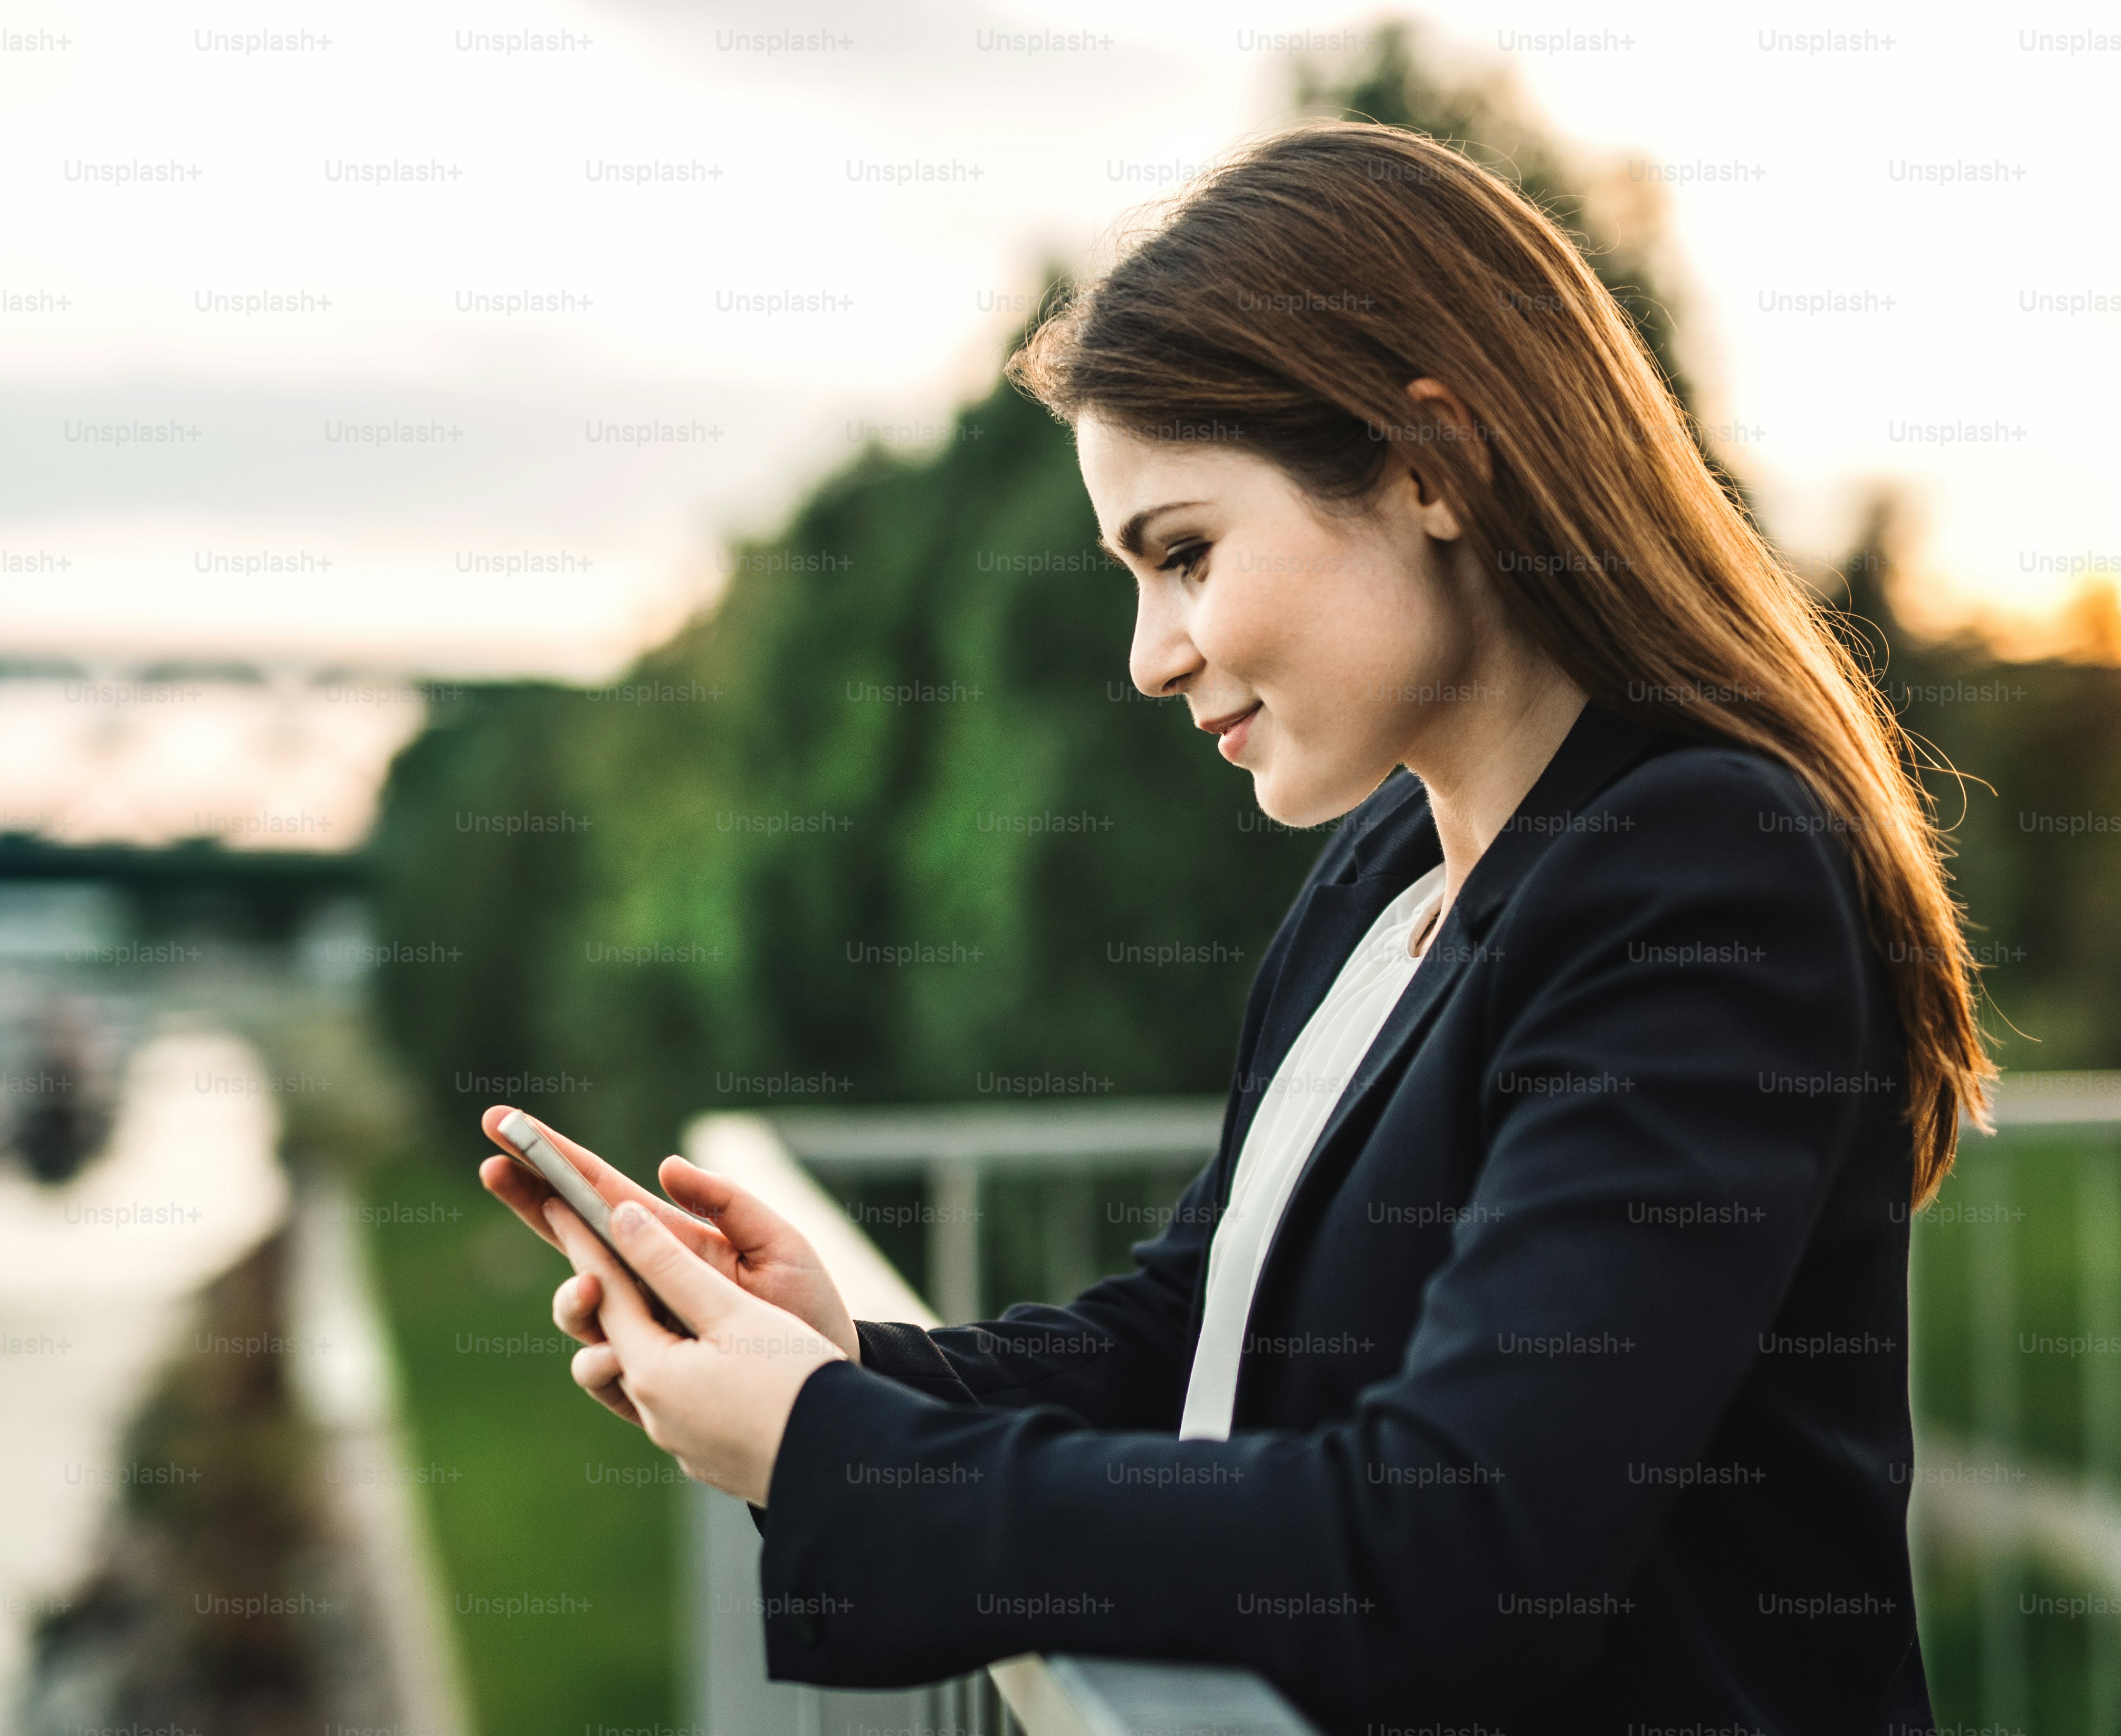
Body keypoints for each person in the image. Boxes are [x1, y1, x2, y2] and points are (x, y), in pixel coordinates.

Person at [479, 119, 1990, 1735]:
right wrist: (846, 1364)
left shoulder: (1704, 870)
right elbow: (1203, 1324)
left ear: (1429, 463)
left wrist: (835, 1455)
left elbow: (1459, 1539)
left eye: (1185, 554)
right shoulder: (1391, 858)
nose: (1151, 653)